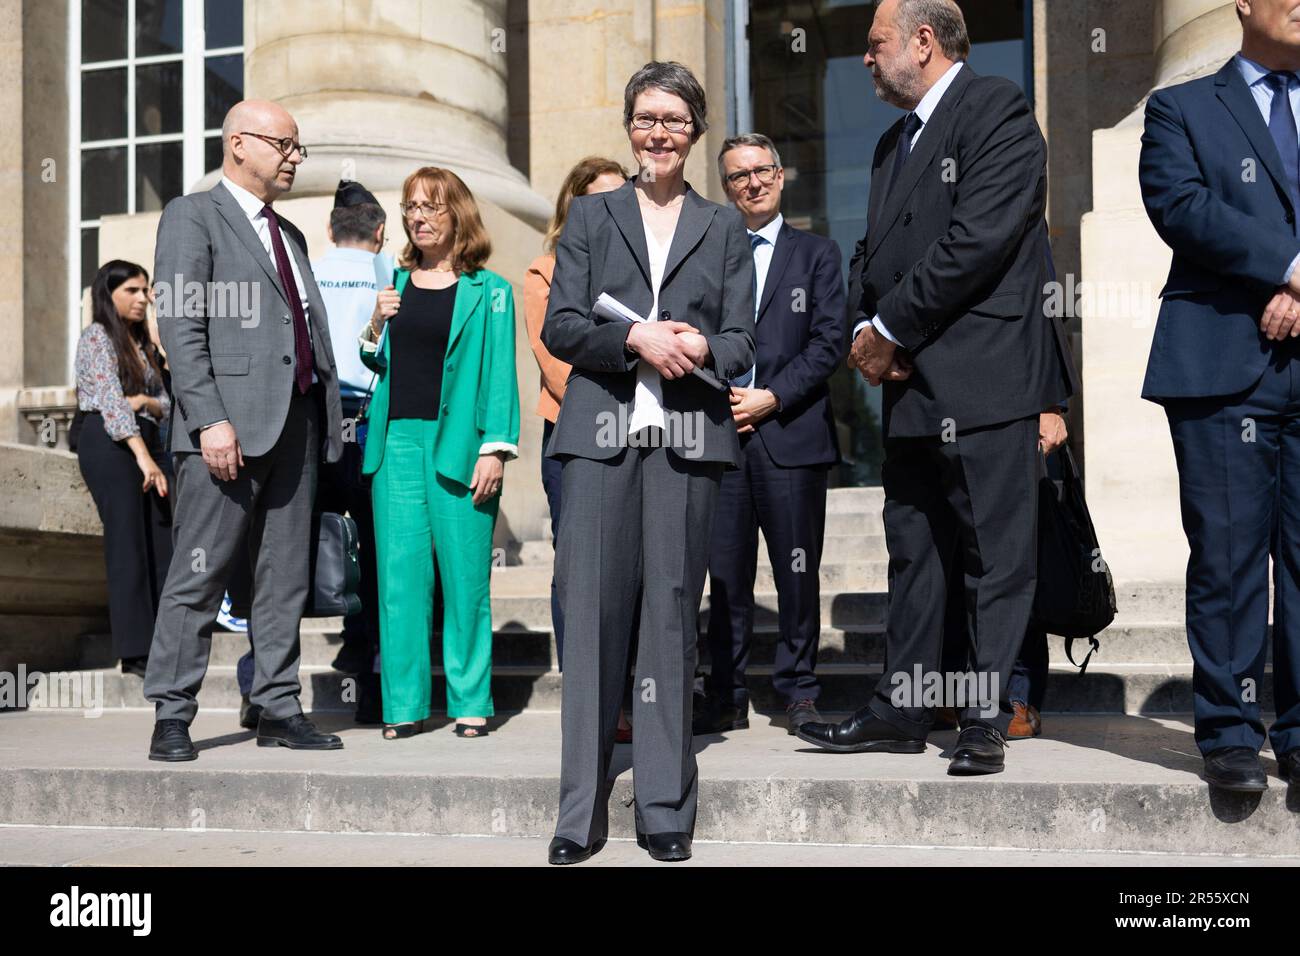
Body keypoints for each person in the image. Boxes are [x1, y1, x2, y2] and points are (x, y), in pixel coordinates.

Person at [796, 0, 1075, 775]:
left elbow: (977, 240)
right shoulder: (893, 143)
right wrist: (862, 330)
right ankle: (902, 707)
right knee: (914, 552)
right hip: (911, 390)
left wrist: (889, 331)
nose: (864, 58)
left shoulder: (995, 108)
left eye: (875, 43)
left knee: (995, 555)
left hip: (985, 383)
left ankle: (985, 717)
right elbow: (868, 254)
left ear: (923, 42)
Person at [543, 61, 756, 865]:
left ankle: (664, 806)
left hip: (688, 440)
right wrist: (635, 337)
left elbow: (743, 341)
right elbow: (563, 327)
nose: (657, 133)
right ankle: (578, 816)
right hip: (599, 439)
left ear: (695, 131)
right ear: (629, 128)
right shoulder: (595, 217)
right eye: (644, 119)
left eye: (672, 120)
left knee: (670, 620)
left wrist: (701, 343)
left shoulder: (725, 227)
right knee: (593, 620)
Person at [143, 99, 346, 761]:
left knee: (284, 577)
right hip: (222, 431)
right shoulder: (192, 215)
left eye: (297, 148)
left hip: (296, 427)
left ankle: (277, 705)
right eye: (284, 144)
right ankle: (172, 712)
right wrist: (209, 419)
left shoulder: (291, 234)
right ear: (238, 143)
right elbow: (180, 324)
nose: (293, 157)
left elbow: (303, 332)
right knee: (198, 576)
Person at [1138, 0, 1300, 790]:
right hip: (1221, 363)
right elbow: (1182, 207)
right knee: (1230, 557)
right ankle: (1232, 731)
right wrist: (1287, 267)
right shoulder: (1181, 107)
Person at [694, 133, 846, 738]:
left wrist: (771, 396)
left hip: (791, 435)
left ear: (781, 178)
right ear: (726, 188)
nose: (751, 183)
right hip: (722, 436)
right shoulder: (707, 256)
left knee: (796, 572)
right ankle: (726, 695)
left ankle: (799, 692)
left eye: (761, 171)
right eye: (737, 176)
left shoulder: (818, 255)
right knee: (724, 577)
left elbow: (829, 342)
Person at [360, 166, 519, 742]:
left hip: (461, 447)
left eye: (430, 207)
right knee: (400, 583)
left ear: (457, 214)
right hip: (396, 442)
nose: (418, 217)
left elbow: (500, 376)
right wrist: (376, 322)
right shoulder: (395, 283)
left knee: (466, 581)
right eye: (409, 207)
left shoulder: (492, 291)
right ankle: (403, 706)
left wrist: (495, 450)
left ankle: (470, 700)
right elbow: (374, 364)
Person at [525, 155, 633, 740]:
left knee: (634, 566)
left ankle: (633, 692)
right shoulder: (545, 271)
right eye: (597, 200)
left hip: (642, 431)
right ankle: (591, 702)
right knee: (579, 570)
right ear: (574, 207)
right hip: (574, 434)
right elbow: (555, 363)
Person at [313, 178, 390, 721]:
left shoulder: (306, 272)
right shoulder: (388, 277)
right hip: (366, 422)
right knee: (376, 551)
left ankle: (259, 688)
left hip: (314, 424)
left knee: (288, 550)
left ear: (330, 229)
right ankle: (370, 686)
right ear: (381, 232)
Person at [74, 260, 173, 677]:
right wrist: (144, 457)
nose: (142, 298)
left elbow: (168, 404)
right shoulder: (97, 337)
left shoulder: (142, 344)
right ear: (108, 294)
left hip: (146, 438)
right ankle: (136, 652)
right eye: (132, 290)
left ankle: (165, 642)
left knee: (162, 538)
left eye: (145, 290)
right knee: (127, 540)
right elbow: (112, 404)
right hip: (110, 440)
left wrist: (146, 401)